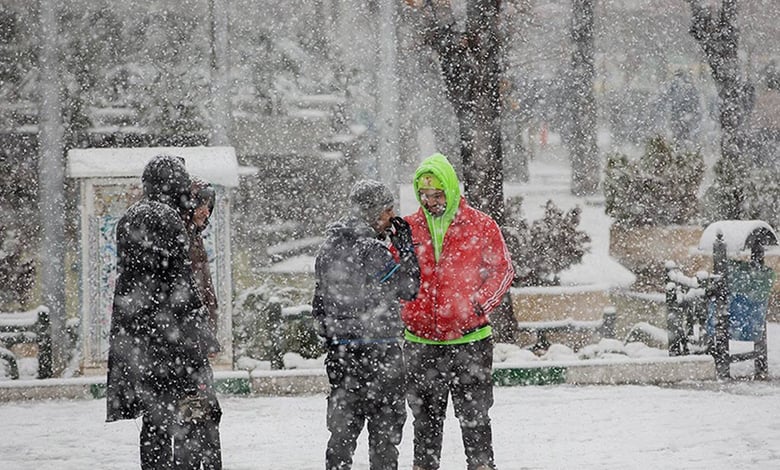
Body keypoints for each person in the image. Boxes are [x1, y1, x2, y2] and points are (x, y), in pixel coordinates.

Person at [106, 154, 221, 469]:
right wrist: (203, 336)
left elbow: (132, 283)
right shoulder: (169, 219)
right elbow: (179, 285)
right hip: (175, 344)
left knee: (155, 424)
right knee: (194, 417)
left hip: (141, 342)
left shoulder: (129, 218)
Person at [401, 153, 514, 470]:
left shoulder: (480, 225)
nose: (430, 201)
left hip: (470, 342)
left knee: (475, 422)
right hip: (421, 345)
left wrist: (477, 303)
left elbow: (502, 270)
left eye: (437, 194)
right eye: (424, 195)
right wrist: (405, 308)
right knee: (425, 425)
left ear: (450, 190)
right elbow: (390, 275)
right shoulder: (407, 228)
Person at [311, 179, 421, 470]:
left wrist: (335, 339)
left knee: (342, 433)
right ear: (375, 213)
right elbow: (409, 288)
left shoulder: (328, 248)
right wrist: (406, 248)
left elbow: (318, 304)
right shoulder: (371, 250)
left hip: (342, 355)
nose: (390, 218)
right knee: (385, 435)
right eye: (388, 212)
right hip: (379, 353)